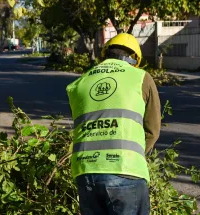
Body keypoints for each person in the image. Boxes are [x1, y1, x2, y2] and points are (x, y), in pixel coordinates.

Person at [66, 33, 161, 215]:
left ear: (105, 54)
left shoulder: (79, 82)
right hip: (125, 170)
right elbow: (152, 130)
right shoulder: (141, 78)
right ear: (134, 59)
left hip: (85, 171)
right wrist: (135, 156)